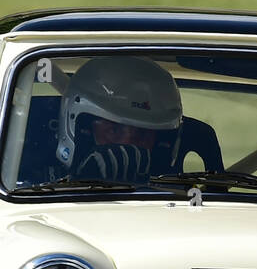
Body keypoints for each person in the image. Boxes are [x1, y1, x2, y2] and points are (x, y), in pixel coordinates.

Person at [56, 56, 185, 183]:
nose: (127, 143)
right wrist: (82, 183)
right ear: (83, 132)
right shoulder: (41, 190)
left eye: (143, 134)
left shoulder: (183, 199)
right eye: (114, 130)